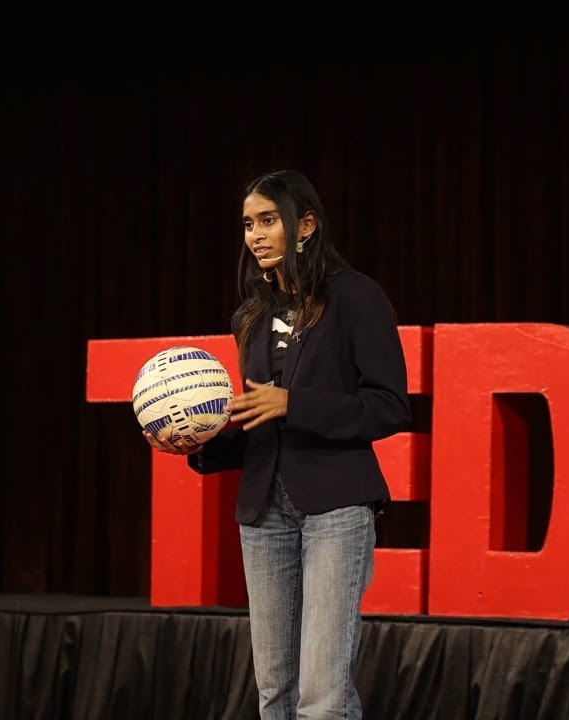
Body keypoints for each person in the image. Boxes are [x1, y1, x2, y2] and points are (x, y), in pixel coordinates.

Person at [143, 170, 411, 718]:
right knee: (274, 691)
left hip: (336, 506)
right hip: (264, 512)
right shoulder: (251, 316)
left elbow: (389, 406)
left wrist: (293, 403)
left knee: (323, 694)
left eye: (269, 221)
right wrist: (196, 440)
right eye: (248, 223)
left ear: (305, 225)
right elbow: (262, 425)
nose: (256, 235)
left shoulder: (355, 297)